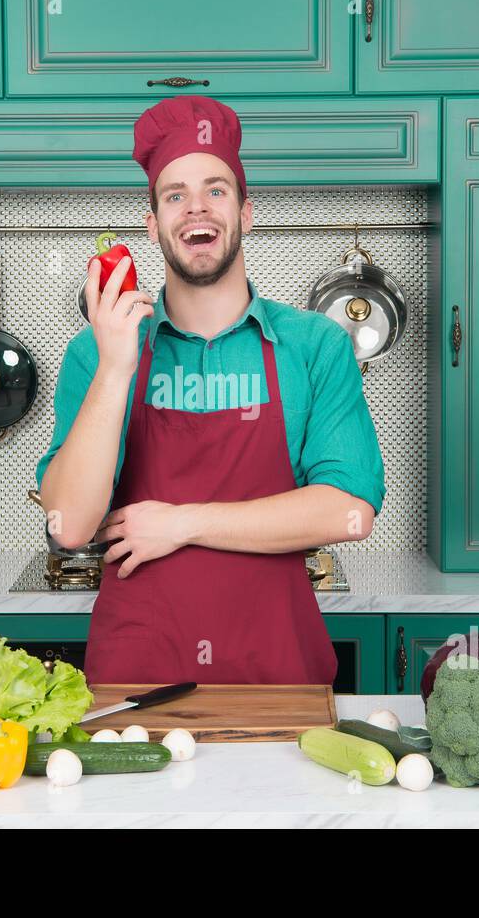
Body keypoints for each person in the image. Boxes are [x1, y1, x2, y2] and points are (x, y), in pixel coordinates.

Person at [36, 94, 385, 684]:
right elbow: (69, 524)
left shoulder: (315, 345)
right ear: (153, 226)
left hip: (278, 672)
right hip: (135, 679)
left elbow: (348, 510)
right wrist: (117, 365)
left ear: (246, 214)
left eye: (216, 190)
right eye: (175, 195)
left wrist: (183, 523)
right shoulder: (97, 351)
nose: (196, 207)